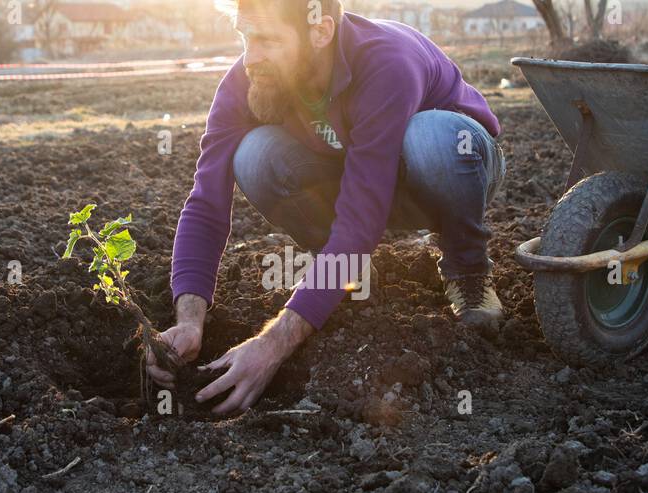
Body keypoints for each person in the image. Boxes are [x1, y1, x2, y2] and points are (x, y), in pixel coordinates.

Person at [148, 0, 505, 414]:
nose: (251, 57)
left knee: (432, 140)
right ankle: (343, 274)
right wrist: (190, 318)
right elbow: (206, 202)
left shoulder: (386, 62)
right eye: (246, 37)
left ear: (320, 32)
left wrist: (274, 343)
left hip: (453, 169)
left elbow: (360, 219)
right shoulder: (246, 80)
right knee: (254, 157)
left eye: (268, 40)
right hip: (356, 173)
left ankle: (469, 270)